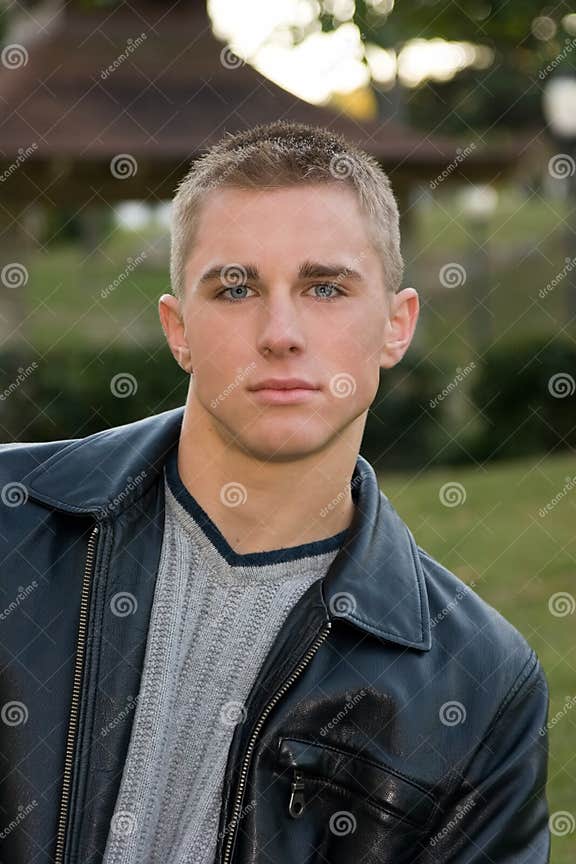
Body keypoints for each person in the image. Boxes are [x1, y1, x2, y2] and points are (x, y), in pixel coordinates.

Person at [0, 120, 550, 864]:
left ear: (396, 326)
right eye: (236, 288)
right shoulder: (11, 522)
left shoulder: (481, 681)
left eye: (325, 287)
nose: (281, 332)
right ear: (179, 328)